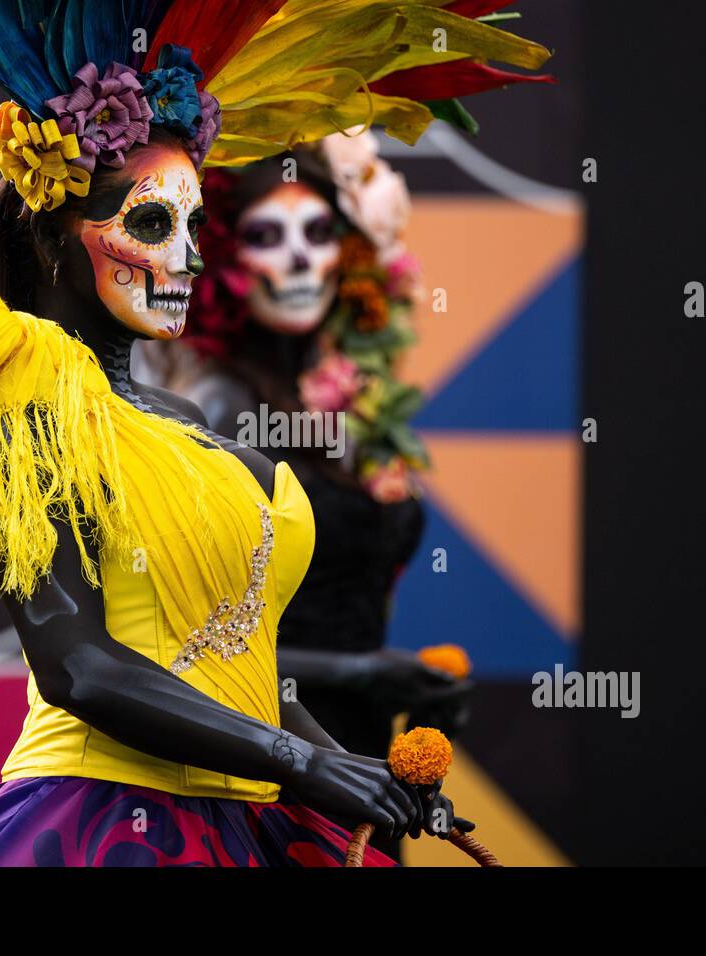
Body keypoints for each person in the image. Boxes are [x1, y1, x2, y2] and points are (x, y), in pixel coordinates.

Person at [0, 0, 551, 867]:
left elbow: (241, 672)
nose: (187, 256)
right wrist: (305, 762)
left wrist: (351, 771)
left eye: (194, 226)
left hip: (248, 824)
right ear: (52, 238)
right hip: (97, 824)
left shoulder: (188, 425)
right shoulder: (24, 401)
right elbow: (77, 667)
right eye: (153, 224)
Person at [152, 135, 472, 860]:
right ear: (225, 258)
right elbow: (196, 643)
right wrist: (365, 672)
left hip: (361, 766)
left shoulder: (341, 400)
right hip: (273, 768)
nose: (299, 258)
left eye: (319, 233)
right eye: (268, 235)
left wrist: (398, 680)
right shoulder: (219, 408)